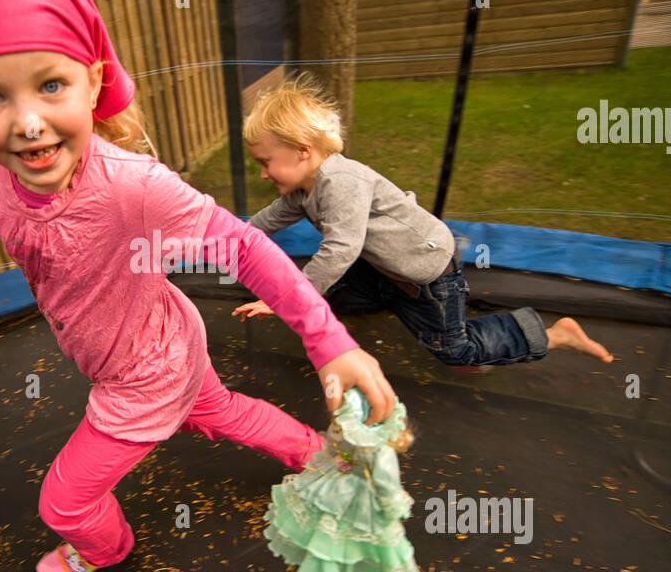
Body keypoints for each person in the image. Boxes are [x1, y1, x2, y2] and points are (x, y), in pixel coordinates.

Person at [0, 0, 398, 572]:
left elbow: (244, 248)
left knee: (65, 501)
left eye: (50, 85)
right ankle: (319, 454)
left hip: (145, 373)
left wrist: (328, 341)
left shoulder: (131, 186)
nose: (27, 122)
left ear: (92, 81)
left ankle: (105, 549)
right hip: (167, 340)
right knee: (219, 411)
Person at [232, 74, 613, 369]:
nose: (263, 174)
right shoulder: (302, 190)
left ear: (302, 152)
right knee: (338, 295)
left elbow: (340, 250)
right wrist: (217, 234)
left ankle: (554, 335)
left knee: (455, 349)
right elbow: (265, 222)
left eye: (265, 162)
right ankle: (374, 305)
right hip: (381, 267)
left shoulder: (341, 182)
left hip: (425, 275)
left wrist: (284, 297)